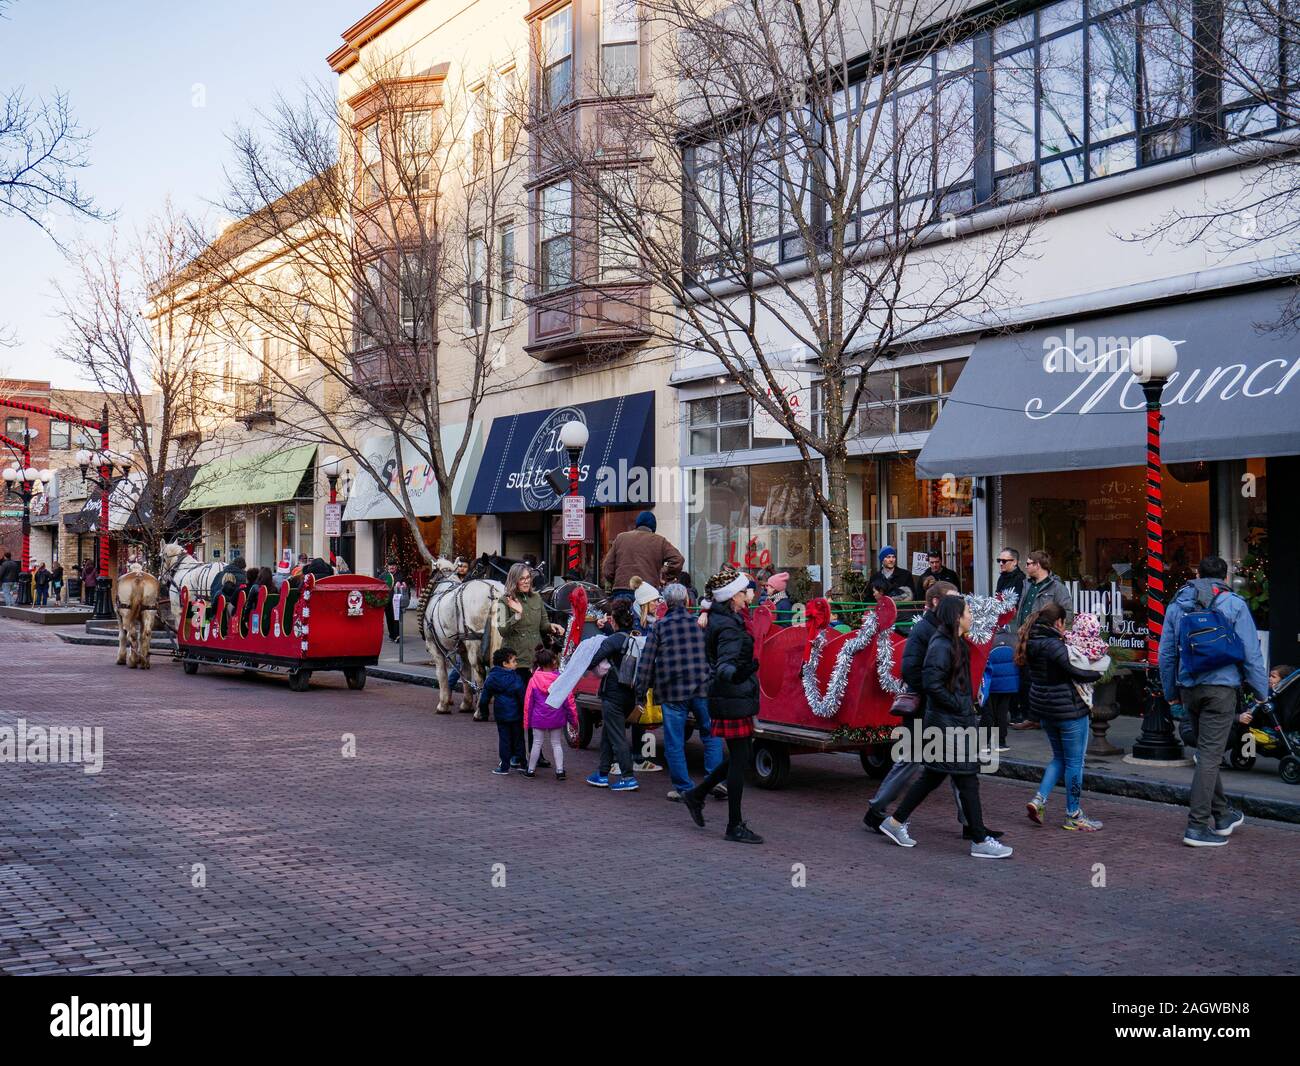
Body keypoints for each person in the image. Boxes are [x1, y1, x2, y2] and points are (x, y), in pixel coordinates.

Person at [879, 595, 1013, 858]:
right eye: (968, 611)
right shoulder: (942, 645)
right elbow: (932, 682)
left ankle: (895, 822)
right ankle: (979, 839)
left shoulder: (954, 643)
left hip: (951, 721)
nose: (971, 616)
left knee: (934, 775)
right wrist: (957, 705)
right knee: (966, 778)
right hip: (948, 723)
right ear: (956, 617)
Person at [1159, 555, 1268, 848]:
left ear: (1197, 574)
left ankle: (1222, 816)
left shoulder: (1178, 604)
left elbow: (1167, 653)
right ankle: (1196, 827)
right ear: (1226, 577)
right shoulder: (1234, 604)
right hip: (1221, 689)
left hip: (1189, 687)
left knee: (1206, 752)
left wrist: (1170, 691)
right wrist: (1261, 693)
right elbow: (1251, 654)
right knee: (1209, 757)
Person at [681, 569, 763, 844]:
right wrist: (739, 674)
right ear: (731, 596)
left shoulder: (720, 619)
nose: (746, 598)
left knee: (742, 756)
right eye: (742, 593)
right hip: (732, 695)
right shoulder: (728, 626)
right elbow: (725, 665)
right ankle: (734, 824)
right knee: (740, 761)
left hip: (730, 695)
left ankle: (698, 794)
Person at [1017, 601, 1105, 831]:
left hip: (1045, 710)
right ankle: (1073, 814)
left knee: (1059, 758)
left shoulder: (1032, 641)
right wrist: (1099, 671)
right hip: (1069, 710)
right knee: (1075, 762)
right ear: (1058, 622)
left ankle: (1039, 800)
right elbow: (1077, 671)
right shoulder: (1054, 645)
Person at [634, 582, 725, 802]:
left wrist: (640, 693)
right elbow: (713, 655)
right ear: (686, 601)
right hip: (701, 686)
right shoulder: (699, 624)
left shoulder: (660, 627)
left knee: (674, 741)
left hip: (672, 690)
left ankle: (684, 788)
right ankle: (715, 781)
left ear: (667, 603)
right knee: (711, 735)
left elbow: (647, 662)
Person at [1010, 550, 1074, 731]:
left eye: (1029, 563)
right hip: (1025, 637)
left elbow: (1067, 613)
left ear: (1039, 565)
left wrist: (1056, 633)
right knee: (1025, 678)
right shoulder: (1027, 584)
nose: (1026, 566)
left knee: (1039, 678)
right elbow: (1022, 610)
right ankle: (1031, 716)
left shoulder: (1057, 587)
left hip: (1043, 637)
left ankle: (1038, 717)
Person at [585, 599, 641, 792]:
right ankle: (601, 773)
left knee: (617, 737)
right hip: (630, 693)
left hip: (613, 694)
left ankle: (628, 776)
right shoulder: (636, 636)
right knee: (609, 734)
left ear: (615, 620)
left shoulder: (614, 640)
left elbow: (593, 660)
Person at [523, 648, 575, 779]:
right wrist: (573, 720)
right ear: (553, 661)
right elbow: (569, 702)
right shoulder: (560, 680)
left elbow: (528, 702)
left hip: (538, 717)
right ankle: (560, 771)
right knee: (556, 743)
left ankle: (530, 770)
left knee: (537, 743)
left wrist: (526, 721)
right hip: (556, 716)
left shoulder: (533, 680)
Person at [601, 510, 684, 592]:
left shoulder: (620, 538)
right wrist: (666, 577)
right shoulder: (659, 541)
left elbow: (607, 568)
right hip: (648, 591)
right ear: (654, 527)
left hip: (622, 589)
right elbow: (678, 560)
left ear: (637, 524)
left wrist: (618, 580)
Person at [629, 579, 664, 774]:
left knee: (642, 717)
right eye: (654, 602)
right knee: (638, 715)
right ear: (645, 603)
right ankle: (638, 758)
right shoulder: (637, 622)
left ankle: (639, 756)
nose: (658, 605)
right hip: (638, 675)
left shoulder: (649, 620)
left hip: (645, 674)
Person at [481, 648, 527, 774]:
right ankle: (522, 762)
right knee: (519, 739)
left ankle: (504, 766)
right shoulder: (516, 678)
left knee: (504, 739)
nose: (516, 663)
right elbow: (522, 697)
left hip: (501, 714)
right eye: (513, 661)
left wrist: (484, 712)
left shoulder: (491, 678)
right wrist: (525, 712)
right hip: (517, 714)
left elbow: (484, 698)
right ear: (505, 664)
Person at [980, 629, 1017, 753]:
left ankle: (983, 743)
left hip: (990, 683)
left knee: (988, 713)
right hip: (1008, 685)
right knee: (1002, 712)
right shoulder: (1013, 639)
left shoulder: (987, 639)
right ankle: (1000, 742)